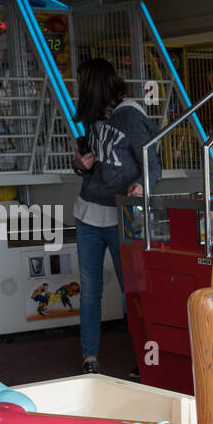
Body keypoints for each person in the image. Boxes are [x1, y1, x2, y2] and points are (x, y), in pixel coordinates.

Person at [71, 58, 159, 374]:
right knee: (90, 289)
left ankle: (146, 358)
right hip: (87, 213)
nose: (78, 90)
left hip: (121, 216)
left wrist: (139, 185)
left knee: (132, 290)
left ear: (95, 85)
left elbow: (153, 163)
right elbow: (90, 165)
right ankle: (90, 357)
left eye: (82, 83)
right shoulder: (95, 118)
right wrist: (81, 165)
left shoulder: (131, 117)